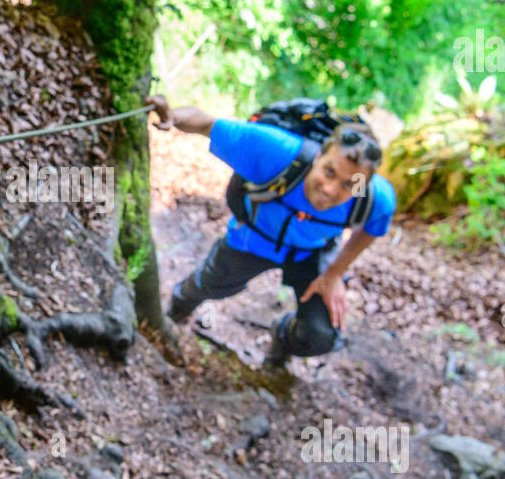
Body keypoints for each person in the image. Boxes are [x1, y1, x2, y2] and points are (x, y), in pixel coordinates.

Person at [146, 94, 396, 369]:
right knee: (209, 284)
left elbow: (373, 227)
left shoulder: (368, 195)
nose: (330, 190)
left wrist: (335, 274)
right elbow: (206, 124)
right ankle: (174, 312)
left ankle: (283, 338)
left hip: (311, 252)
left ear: (362, 184)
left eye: (347, 185)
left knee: (320, 335)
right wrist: (170, 114)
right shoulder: (277, 153)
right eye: (329, 172)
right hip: (253, 240)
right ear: (319, 156)